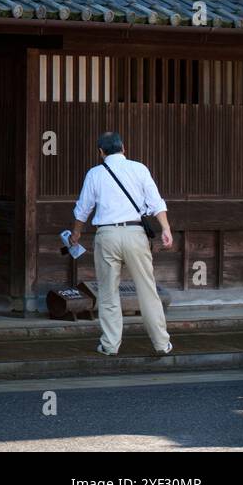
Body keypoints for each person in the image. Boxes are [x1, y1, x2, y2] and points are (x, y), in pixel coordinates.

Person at [69, 132, 173, 356]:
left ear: (101, 152)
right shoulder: (139, 168)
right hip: (135, 233)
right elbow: (156, 202)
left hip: (107, 235)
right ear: (123, 148)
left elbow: (83, 208)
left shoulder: (95, 174)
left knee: (108, 292)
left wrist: (76, 232)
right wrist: (165, 228)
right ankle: (161, 344)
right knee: (147, 289)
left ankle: (110, 344)